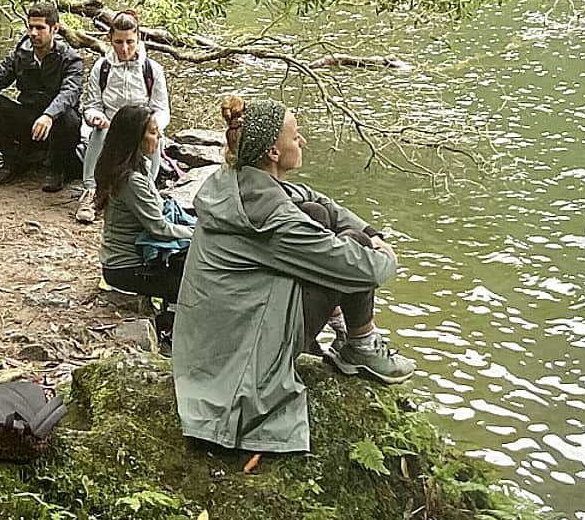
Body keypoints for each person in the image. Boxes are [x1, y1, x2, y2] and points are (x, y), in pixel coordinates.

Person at [172, 96, 414, 454]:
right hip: (237, 359)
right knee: (353, 247)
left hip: (214, 338)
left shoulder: (238, 181)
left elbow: (321, 201)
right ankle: (359, 345)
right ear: (272, 151)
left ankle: (347, 332)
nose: (302, 141)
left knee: (318, 213)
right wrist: (384, 252)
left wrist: (373, 229)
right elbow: (364, 268)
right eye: (296, 135)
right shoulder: (271, 216)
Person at [0, 1, 84, 192]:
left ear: (55, 29)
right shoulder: (21, 54)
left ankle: (56, 169)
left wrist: (49, 115)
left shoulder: (71, 59)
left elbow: (69, 93)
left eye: (40, 28)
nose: (34, 33)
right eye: (31, 27)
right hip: (28, 119)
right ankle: (14, 160)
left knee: (69, 117)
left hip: (56, 125)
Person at [94, 104, 193, 328]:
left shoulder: (136, 168)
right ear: (134, 137)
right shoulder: (131, 180)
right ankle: (169, 328)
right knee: (191, 284)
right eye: (152, 132)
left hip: (130, 262)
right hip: (126, 269)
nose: (158, 137)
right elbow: (158, 228)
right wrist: (198, 233)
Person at [76, 10, 170, 223]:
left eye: (130, 42)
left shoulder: (152, 70)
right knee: (100, 132)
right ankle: (91, 192)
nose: (124, 48)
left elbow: (161, 109)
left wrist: (156, 125)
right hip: (110, 124)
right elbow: (92, 105)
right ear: (110, 39)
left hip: (141, 125)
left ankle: (148, 190)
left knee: (155, 135)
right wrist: (95, 117)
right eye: (119, 42)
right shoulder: (102, 68)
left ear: (139, 38)